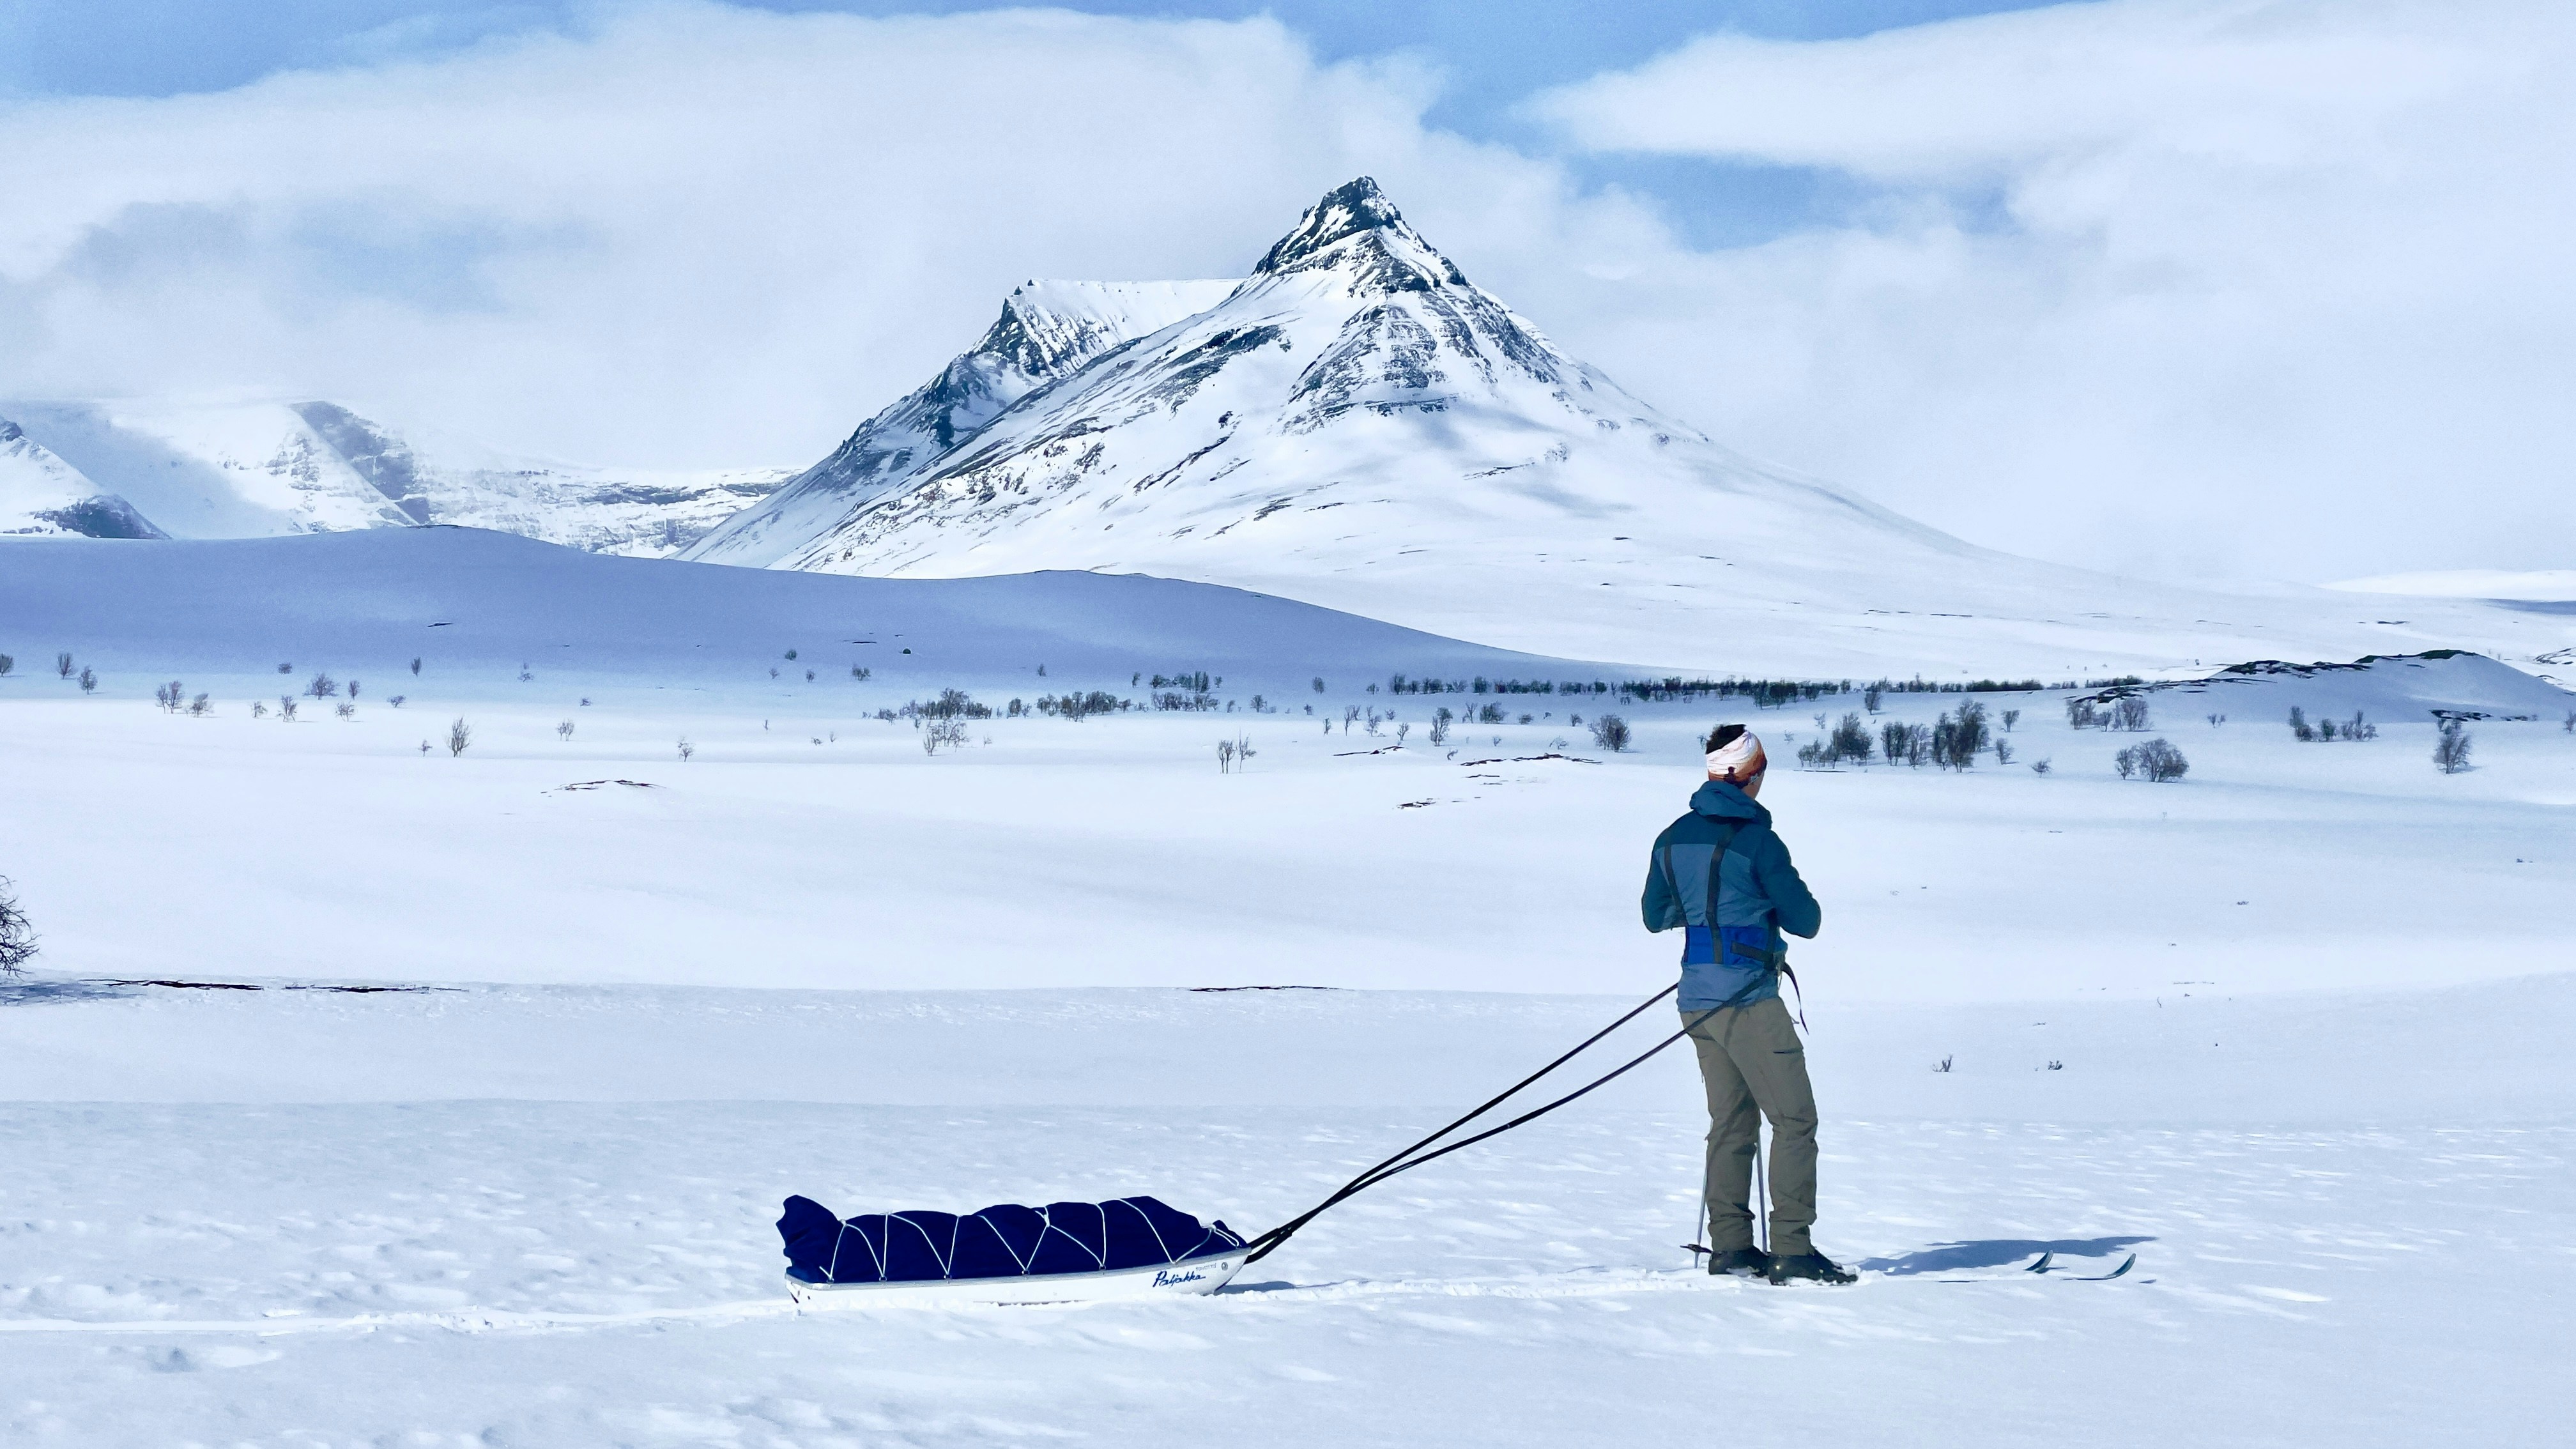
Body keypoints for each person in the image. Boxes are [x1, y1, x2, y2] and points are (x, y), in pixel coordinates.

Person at [1640, 724, 1853, 1285]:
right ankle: (1791, 1250)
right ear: (1750, 776)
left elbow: (1655, 916)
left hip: (1695, 1000)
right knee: (1794, 1120)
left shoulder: (1671, 836)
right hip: (1751, 1000)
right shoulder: (1761, 842)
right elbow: (1807, 922)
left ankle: (1731, 1247)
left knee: (1731, 1122)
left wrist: (1706, 912)